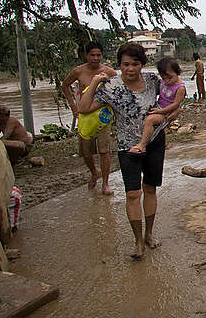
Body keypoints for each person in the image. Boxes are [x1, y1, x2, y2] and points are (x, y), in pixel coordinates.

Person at [78, 43, 176, 260]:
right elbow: (83, 108)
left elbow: (175, 90)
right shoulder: (110, 87)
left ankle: (149, 234)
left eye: (135, 64)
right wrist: (94, 82)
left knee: (150, 189)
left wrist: (173, 112)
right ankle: (138, 241)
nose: (130, 69)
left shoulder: (152, 80)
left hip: (155, 142)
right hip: (127, 147)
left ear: (142, 64)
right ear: (119, 65)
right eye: (126, 64)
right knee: (132, 194)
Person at [61, 40, 118, 195]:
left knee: (104, 150)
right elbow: (65, 85)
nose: (95, 58)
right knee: (86, 151)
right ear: (86, 55)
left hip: (103, 116)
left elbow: (119, 88)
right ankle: (94, 172)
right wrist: (73, 106)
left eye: (98, 55)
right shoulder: (78, 71)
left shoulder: (109, 72)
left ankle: (105, 184)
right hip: (85, 115)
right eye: (92, 55)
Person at [129, 57, 186, 154]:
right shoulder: (162, 82)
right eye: (164, 78)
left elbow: (176, 104)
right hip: (159, 107)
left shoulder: (180, 88)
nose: (167, 81)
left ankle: (142, 145)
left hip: (166, 112)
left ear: (178, 72)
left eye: (170, 77)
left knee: (150, 121)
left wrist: (161, 111)